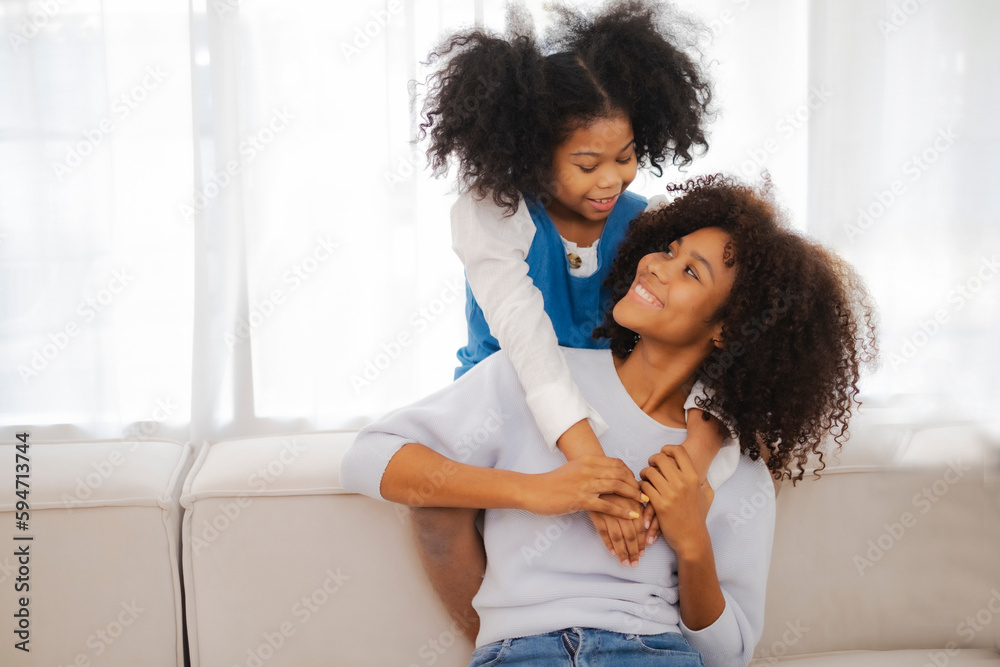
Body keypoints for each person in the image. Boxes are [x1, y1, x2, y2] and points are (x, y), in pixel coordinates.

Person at [340, 175, 878, 666]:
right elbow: (367, 458)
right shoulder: (537, 378)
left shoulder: (734, 468)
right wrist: (537, 491)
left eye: (690, 271)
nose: (656, 265)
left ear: (728, 329)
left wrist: (692, 542)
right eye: (670, 250)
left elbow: (730, 653)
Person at [415, 0, 719, 638]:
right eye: (587, 164)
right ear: (529, 154)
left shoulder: (650, 223)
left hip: (611, 394)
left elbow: (712, 342)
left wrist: (695, 453)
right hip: (514, 394)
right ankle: (502, 646)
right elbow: (530, 352)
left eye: (627, 155)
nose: (610, 180)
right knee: (438, 512)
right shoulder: (492, 212)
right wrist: (598, 477)